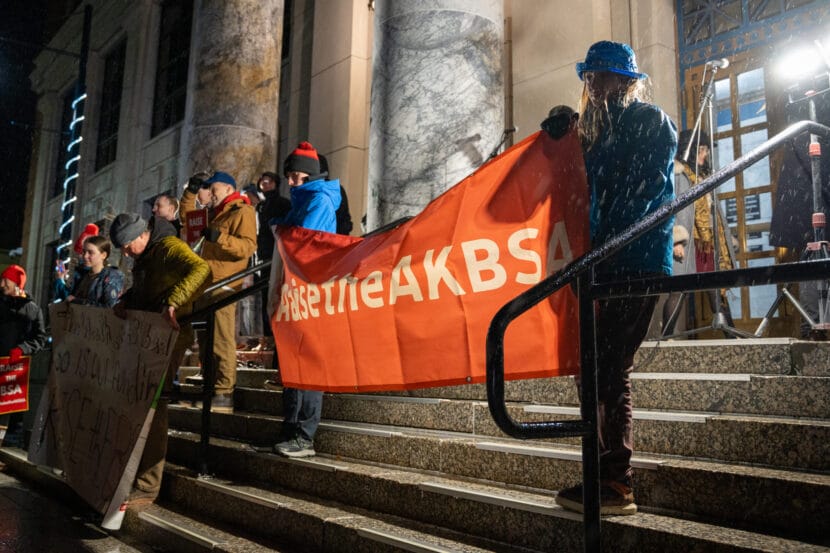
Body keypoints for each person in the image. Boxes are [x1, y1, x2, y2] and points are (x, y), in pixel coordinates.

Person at [542, 40, 676, 515]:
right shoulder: (595, 131)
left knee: (609, 365)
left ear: (626, 79)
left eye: (601, 75)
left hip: (635, 258)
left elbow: (643, 191)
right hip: (601, 262)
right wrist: (559, 137)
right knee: (594, 365)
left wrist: (601, 247)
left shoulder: (649, 121)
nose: (592, 83)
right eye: (589, 76)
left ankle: (616, 481)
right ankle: (604, 474)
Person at [109, 213, 211, 508]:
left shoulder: (168, 247)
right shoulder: (147, 256)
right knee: (141, 402)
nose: (126, 253)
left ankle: (146, 486)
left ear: (142, 234)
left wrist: (175, 302)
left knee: (152, 404)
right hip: (149, 335)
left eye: (128, 245)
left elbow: (202, 270)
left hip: (169, 334)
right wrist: (128, 299)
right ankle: (135, 476)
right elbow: (148, 289)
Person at [265, 141, 341, 458]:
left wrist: (280, 230)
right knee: (293, 361)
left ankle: (304, 435)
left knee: (308, 362)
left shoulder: (319, 200)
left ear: (309, 176)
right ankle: (291, 428)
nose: (291, 183)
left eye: (296, 177)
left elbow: (304, 242)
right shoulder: (304, 199)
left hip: (310, 290)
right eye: (290, 177)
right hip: (296, 289)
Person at [180, 171, 257, 413]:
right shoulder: (213, 214)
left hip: (223, 284)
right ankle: (210, 390)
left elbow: (247, 247)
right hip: (204, 284)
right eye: (208, 189)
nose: (210, 193)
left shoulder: (242, 211)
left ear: (228, 188)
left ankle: (224, 394)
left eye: (214, 189)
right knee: (205, 341)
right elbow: (187, 219)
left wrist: (219, 237)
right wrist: (190, 193)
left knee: (221, 340)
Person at [660, 129, 706, 335]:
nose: (705, 154)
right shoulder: (678, 174)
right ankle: (667, 337)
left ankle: (668, 336)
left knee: (682, 291)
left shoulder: (690, 175)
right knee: (677, 291)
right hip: (680, 240)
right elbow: (672, 207)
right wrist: (674, 241)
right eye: (702, 149)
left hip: (688, 241)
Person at [0, 264, 49, 361]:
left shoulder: (34, 310)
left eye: (6, 280)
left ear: (17, 283)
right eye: (1, 280)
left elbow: (40, 339)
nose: (1, 284)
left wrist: (22, 349)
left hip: (15, 370)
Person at [64, 235, 124, 308]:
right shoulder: (82, 275)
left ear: (103, 255)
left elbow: (110, 308)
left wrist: (77, 301)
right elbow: (69, 298)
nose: (85, 256)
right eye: (84, 252)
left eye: (90, 252)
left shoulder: (111, 277)